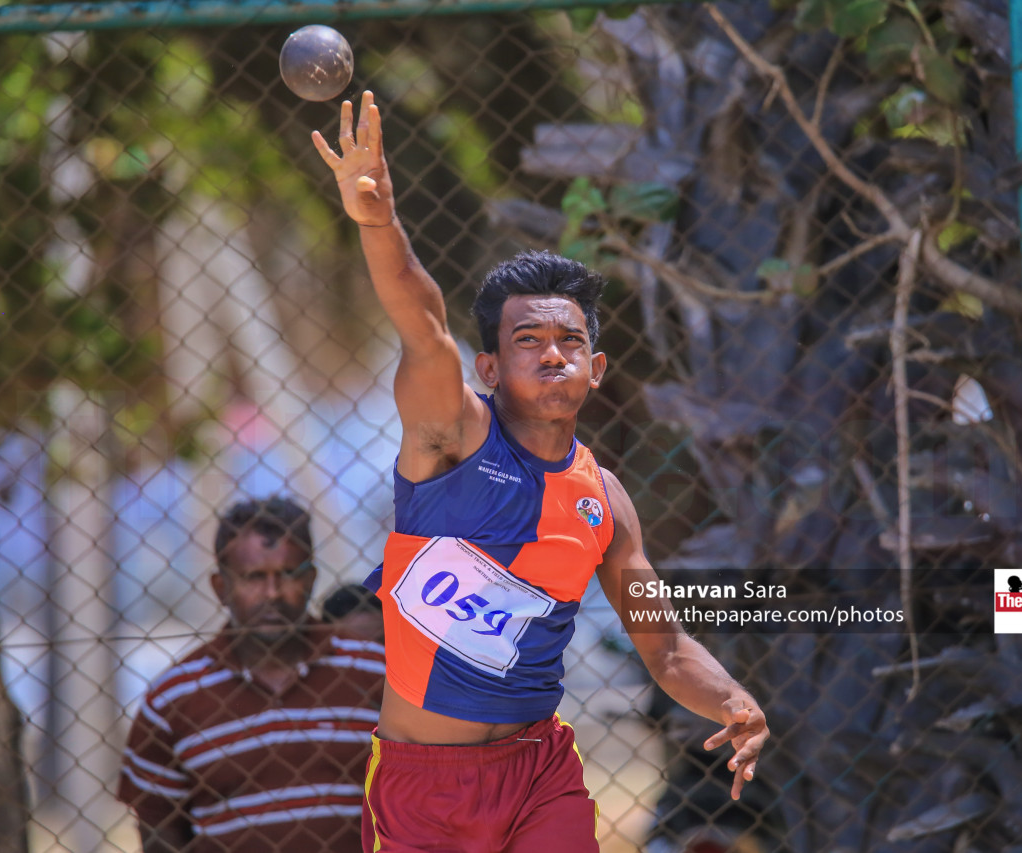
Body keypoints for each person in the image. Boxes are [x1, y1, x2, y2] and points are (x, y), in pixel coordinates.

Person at [312, 92, 769, 853]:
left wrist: (732, 699)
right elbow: (423, 323)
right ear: (489, 362)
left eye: (571, 338)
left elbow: (664, 646)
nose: (553, 351)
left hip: (539, 771)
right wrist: (377, 220)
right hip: (423, 782)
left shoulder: (605, 500)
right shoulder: (452, 434)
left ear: (597, 369)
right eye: (529, 338)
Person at [117, 497, 384, 853]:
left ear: (311, 579)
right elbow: (158, 829)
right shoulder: (172, 700)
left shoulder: (375, 674)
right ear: (220, 587)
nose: (272, 593)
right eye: (253, 578)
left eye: (288, 574)